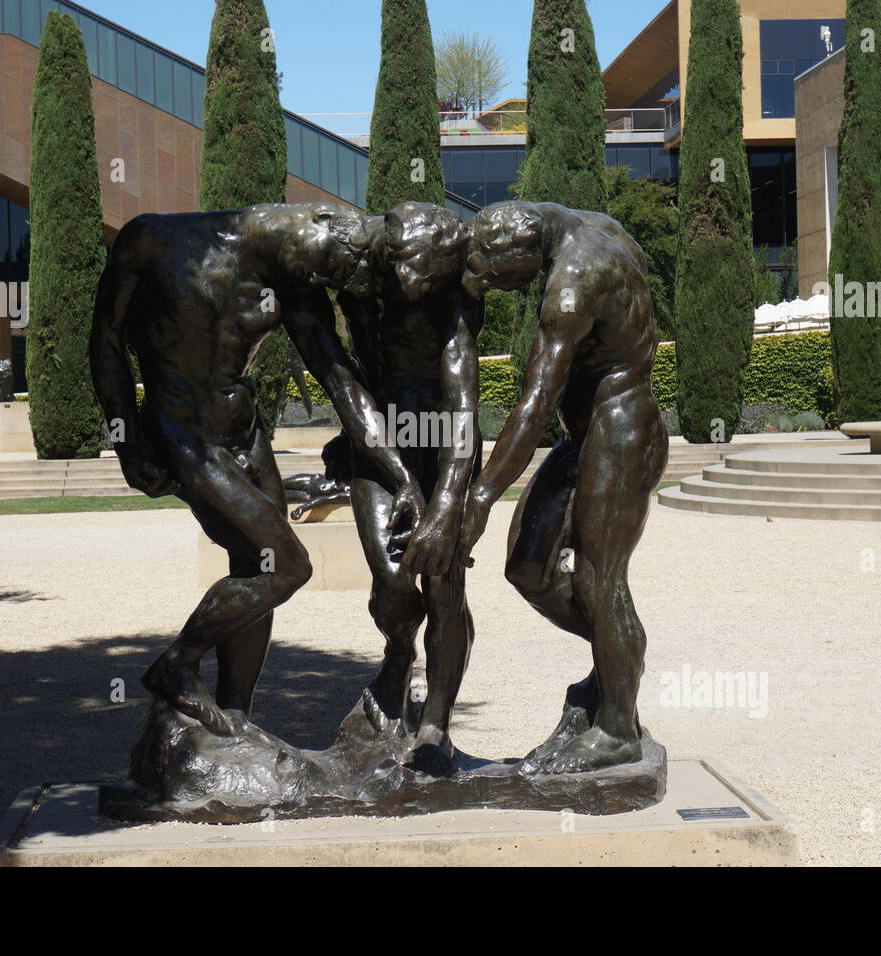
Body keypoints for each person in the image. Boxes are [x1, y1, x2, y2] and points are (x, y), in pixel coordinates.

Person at [90, 202, 425, 736]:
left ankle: (236, 714)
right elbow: (106, 342)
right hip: (185, 436)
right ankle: (176, 665)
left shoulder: (293, 273)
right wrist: (126, 440)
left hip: (247, 434)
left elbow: (338, 379)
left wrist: (398, 471)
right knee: (286, 566)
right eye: (323, 270)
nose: (319, 282)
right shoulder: (152, 239)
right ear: (311, 223)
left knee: (260, 562)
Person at [455, 201, 669, 774]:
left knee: (601, 581)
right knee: (528, 567)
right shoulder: (597, 225)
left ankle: (619, 728)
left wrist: (480, 495)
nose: (502, 290)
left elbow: (535, 405)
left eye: (501, 279)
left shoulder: (572, 281)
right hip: (590, 434)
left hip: (622, 429)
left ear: (523, 252)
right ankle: (615, 662)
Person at [330, 201, 482, 773]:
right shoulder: (359, 275)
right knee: (392, 581)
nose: (413, 281)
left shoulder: (456, 295)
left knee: (444, 591)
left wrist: (446, 501)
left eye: (426, 271)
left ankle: (436, 722)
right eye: (405, 267)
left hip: (445, 438)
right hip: (377, 439)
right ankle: (398, 653)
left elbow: (463, 400)